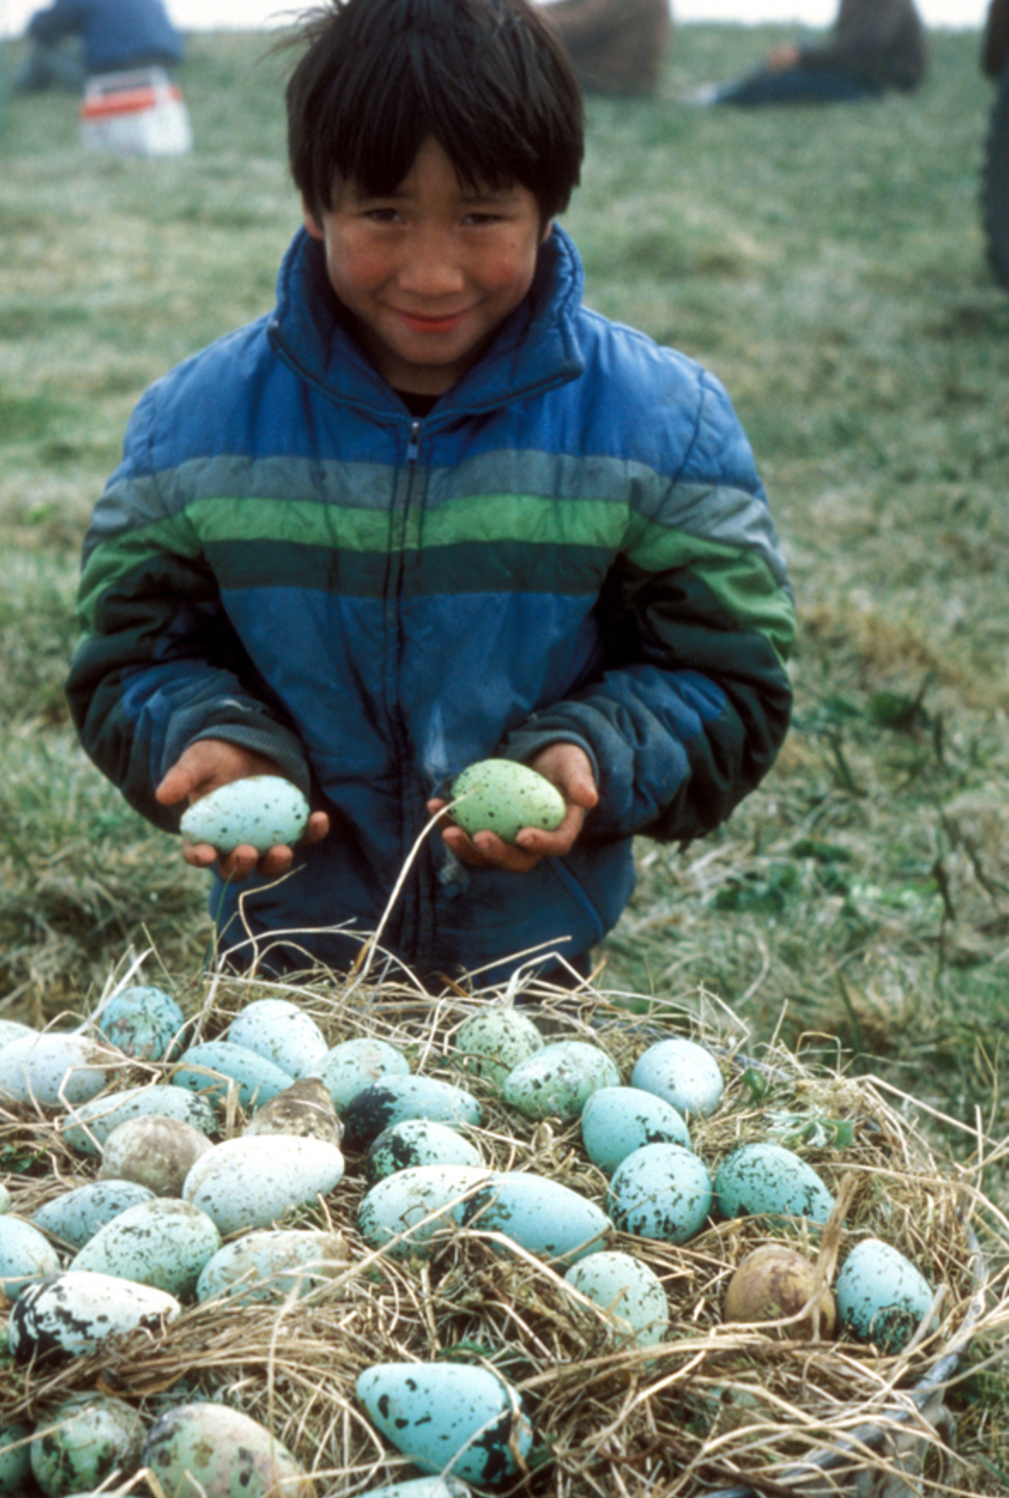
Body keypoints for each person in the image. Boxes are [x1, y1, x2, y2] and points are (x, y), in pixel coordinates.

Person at [67, 0, 795, 990]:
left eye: (483, 215)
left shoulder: (662, 424)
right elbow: (126, 658)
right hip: (283, 977)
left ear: (551, 203)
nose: (432, 270)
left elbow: (731, 676)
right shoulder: (192, 429)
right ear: (313, 201)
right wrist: (213, 738)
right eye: (384, 212)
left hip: (534, 982)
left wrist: (591, 752)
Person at [692, 0, 926, 108]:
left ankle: (721, 99)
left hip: (878, 86)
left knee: (787, 80)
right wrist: (800, 54)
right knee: (786, 59)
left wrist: (802, 56)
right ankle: (724, 91)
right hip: (860, 74)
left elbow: (859, 52)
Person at [12, 0, 183, 96]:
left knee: (43, 51)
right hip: (162, 73)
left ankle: (21, 92)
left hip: (109, 78)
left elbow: (42, 28)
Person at [546, 0, 671, 98]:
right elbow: (575, 5)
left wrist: (535, 23)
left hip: (613, 78)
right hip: (605, 71)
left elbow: (581, 26)